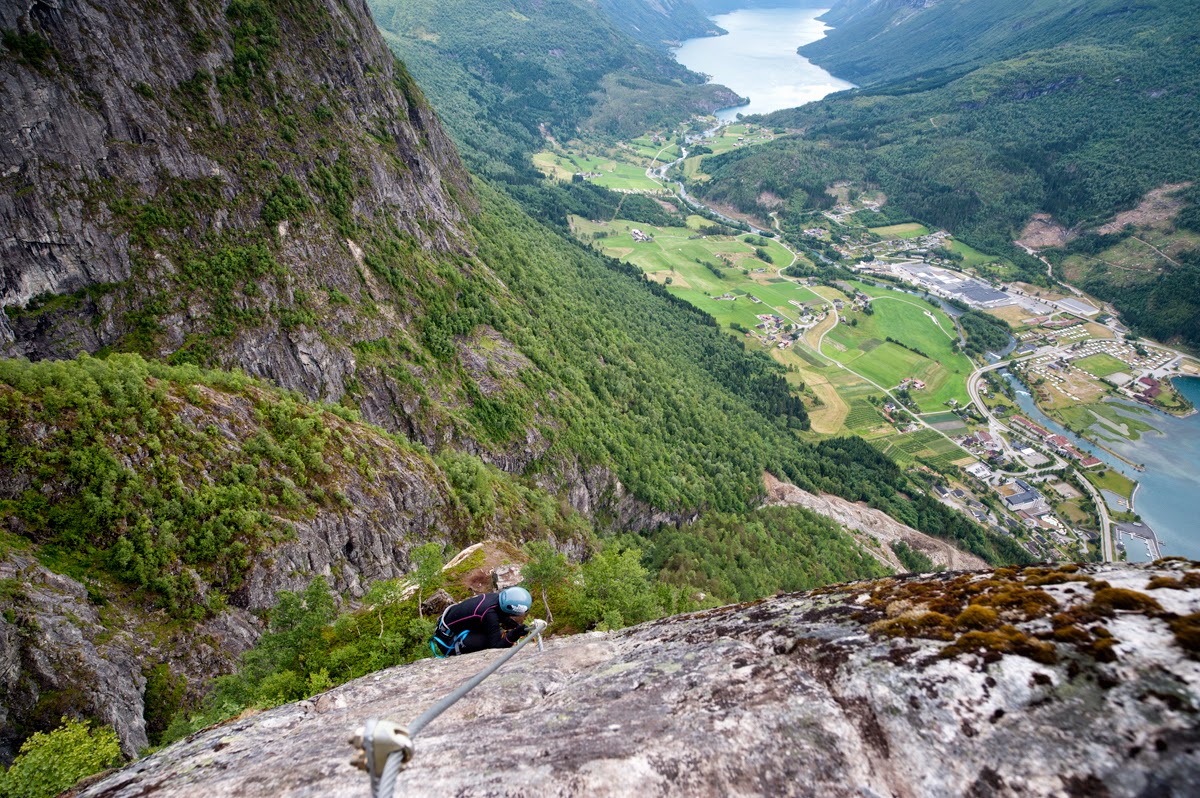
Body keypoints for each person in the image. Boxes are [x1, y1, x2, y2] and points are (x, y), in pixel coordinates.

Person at [430, 586, 533, 657]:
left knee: (495, 632)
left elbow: (499, 613)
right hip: (447, 642)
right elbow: (496, 647)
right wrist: (514, 635)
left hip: (445, 629)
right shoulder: (489, 614)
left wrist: (513, 625)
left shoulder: (494, 597)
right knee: (490, 640)